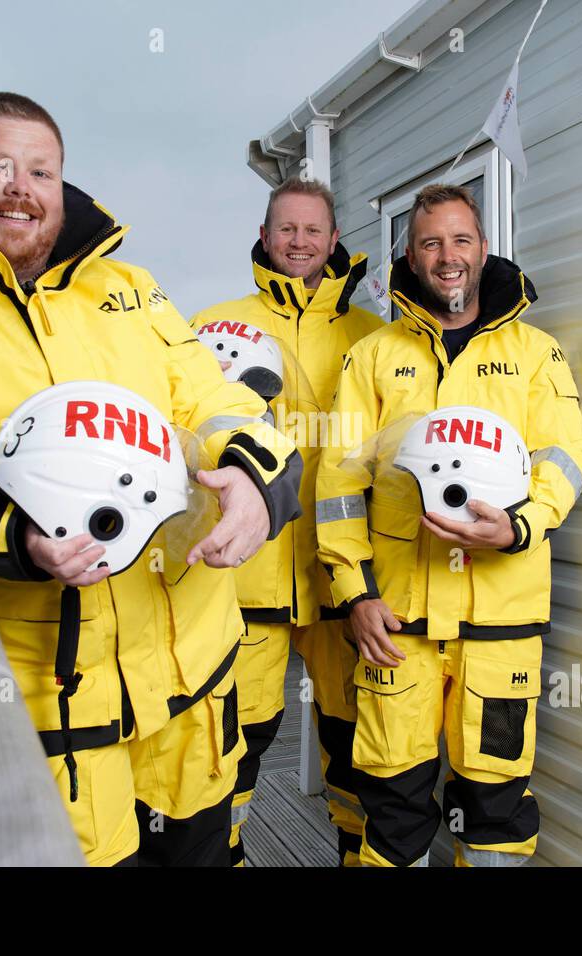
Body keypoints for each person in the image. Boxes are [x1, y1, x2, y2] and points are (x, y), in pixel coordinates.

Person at [0, 92, 302, 866]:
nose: (20, 186)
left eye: (40, 169)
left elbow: (213, 399)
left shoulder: (129, 290)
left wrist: (248, 472)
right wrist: (9, 533)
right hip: (46, 707)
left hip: (192, 682)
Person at [315, 183, 582, 866]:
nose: (448, 256)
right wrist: (355, 593)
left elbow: (565, 457)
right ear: (409, 254)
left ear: (484, 248)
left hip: (502, 623)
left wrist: (518, 528)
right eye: (431, 242)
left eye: (461, 239)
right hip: (398, 622)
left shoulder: (534, 353)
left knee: (493, 807)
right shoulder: (374, 356)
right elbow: (340, 482)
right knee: (391, 802)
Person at [190, 179, 380, 866]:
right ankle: (226, 855)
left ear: (334, 240)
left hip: (342, 583)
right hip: (247, 578)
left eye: (312, 230)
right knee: (232, 744)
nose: (299, 241)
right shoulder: (214, 327)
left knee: (356, 741)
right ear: (265, 236)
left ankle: (357, 856)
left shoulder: (375, 336)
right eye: (286, 229)